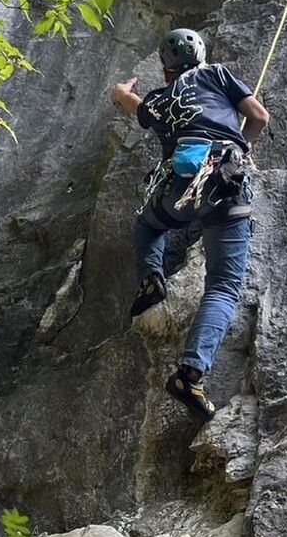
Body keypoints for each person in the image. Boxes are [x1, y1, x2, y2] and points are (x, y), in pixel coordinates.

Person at [111, 28, 270, 420]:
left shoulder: (162, 97)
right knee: (223, 286)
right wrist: (241, 146)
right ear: (201, 56)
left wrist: (120, 92)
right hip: (226, 185)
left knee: (148, 225)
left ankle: (151, 278)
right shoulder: (215, 74)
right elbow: (259, 117)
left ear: (166, 72)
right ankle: (190, 374)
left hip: (180, 189)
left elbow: (130, 103)